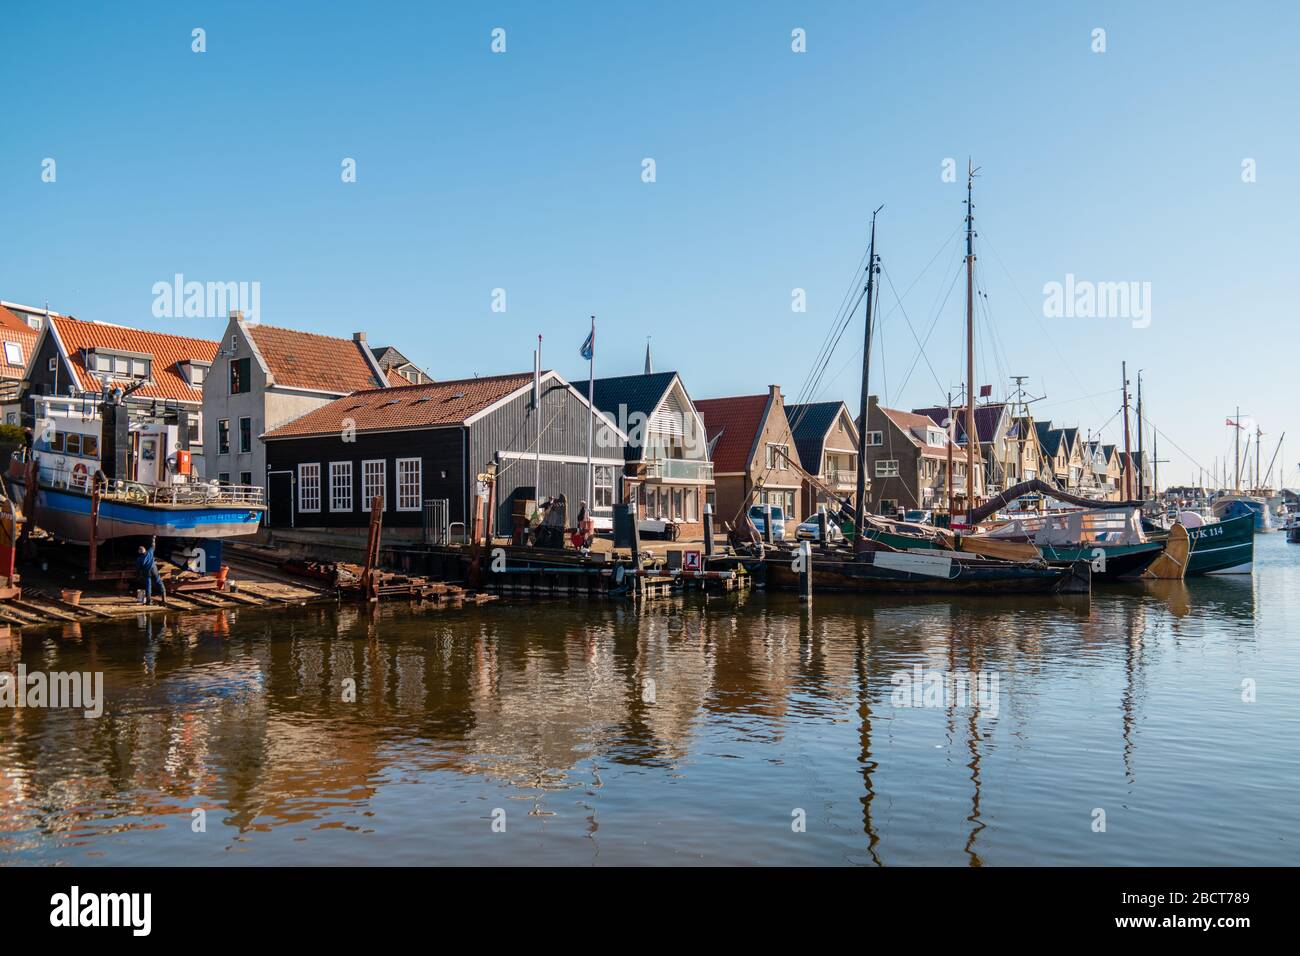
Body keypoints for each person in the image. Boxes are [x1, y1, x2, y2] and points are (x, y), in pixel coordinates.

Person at [136, 537, 167, 606]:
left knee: (148, 585)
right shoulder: (150, 552)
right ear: (145, 550)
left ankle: (148, 601)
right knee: (159, 582)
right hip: (154, 570)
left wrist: (138, 575)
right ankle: (164, 599)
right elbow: (153, 545)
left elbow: (138, 568)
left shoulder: (139, 559)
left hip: (147, 572)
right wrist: (153, 538)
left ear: (139, 552)